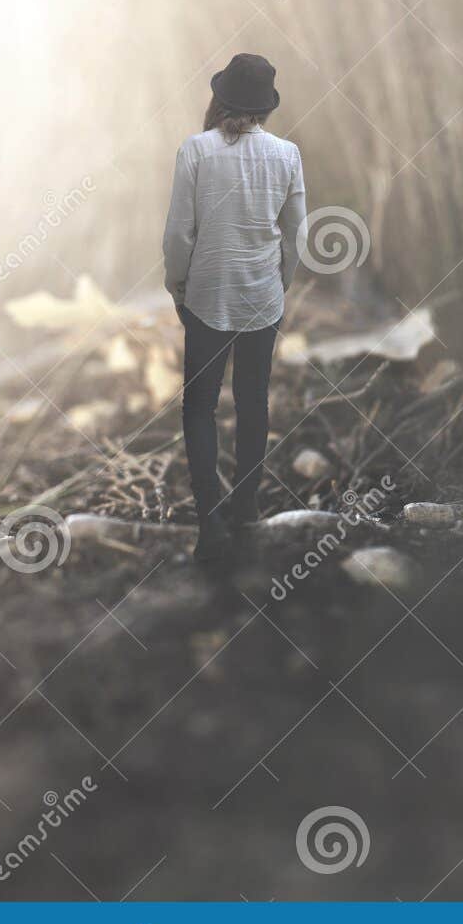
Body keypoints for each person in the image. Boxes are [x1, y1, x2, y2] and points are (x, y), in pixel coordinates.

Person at [162, 53, 306, 561]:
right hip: (260, 297)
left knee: (200, 407)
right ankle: (245, 509)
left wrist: (176, 284)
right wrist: (279, 285)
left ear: (220, 98)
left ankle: (211, 524)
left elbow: (180, 231)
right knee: (253, 402)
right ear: (266, 106)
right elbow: (296, 234)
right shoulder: (287, 155)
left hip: (206, 296)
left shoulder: (195, 150)